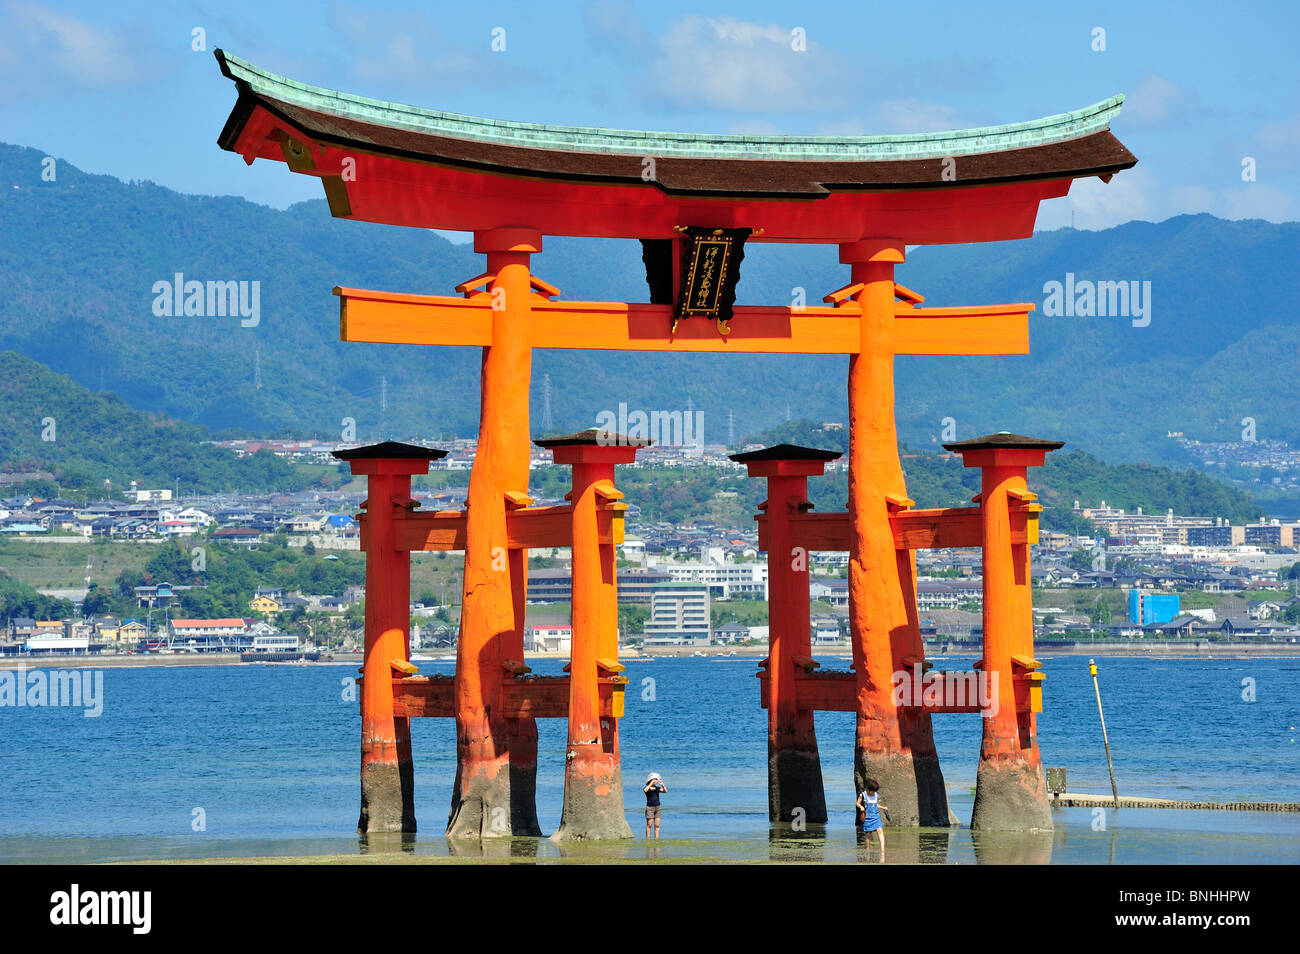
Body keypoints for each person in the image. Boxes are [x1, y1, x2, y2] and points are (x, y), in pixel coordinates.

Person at [857, 778, 888, 850]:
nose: (873, 792)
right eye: (872, 791)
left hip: (876, 816)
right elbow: (857, 803)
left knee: (880, 830)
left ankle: (882, 849)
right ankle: (868, 848)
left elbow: (876, 805)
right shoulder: (863, 795)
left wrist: (883, 807)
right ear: (868, 789)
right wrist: (861, 807)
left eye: (875, 791)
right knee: (868, 834)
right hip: (867, 817)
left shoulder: (876, 795)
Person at [644, 772, 667, 839]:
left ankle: (657, 839)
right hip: (650, 808)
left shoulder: (657, 788)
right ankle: (648, 839)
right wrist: (651, 784)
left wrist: (663, 785)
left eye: (655, 780)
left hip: (658, 807)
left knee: (657, 825)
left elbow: (665, 791)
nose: (655, 781)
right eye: (653, 779)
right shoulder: (647, 788)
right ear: (650, 780)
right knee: (649, 825)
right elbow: (645, 790)